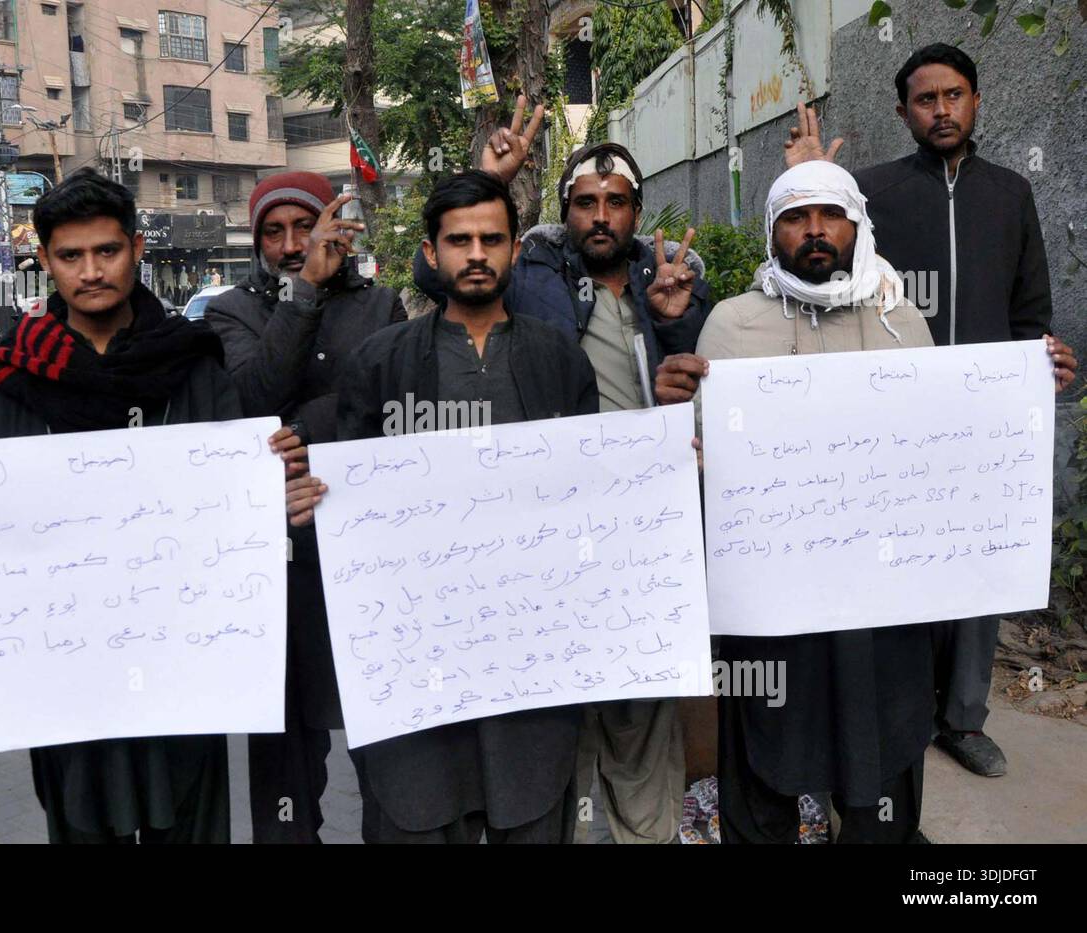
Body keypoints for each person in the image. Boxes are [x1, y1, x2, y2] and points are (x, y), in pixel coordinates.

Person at [0, 168, 302, 844]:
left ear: (137, 249)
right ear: (47, 262)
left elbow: (235, 508)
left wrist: (279, 490)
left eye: (107, 251)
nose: (91, 271)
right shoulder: (11, 375)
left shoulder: (192, 363)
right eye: (70, 256)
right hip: (64, 670)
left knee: (192, 819)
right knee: (84, 819)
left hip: (185, 664)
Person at [414, 98, 712, 843]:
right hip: (546, 531)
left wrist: (674, 317)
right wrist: (488, 177)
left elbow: (698, 381)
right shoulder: (531, 272)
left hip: (645, 529)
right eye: (585, 203)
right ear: (563, 213)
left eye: (616, 203)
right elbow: (445, 270)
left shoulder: (670, 277)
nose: (601, 216)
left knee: (641, 705)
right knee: (557, 704)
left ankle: (647, 831)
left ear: (637, 210)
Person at [784, 44, 1078, 778]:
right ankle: (898, 712)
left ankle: (963, 719)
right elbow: (820, 273)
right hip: (892, 423)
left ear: (976, 101)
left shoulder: (1011, 194)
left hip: (984, 424)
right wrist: (812, 177)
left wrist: (1047, 365)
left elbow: (1030, 313)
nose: (941, 110)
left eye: (954, 96)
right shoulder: (871, 193)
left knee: (977, 565)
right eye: (925, 99)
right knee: (900, 565)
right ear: (902, 112)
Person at [287, 170, 599, 843]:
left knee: (534, 800)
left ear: (516, 249)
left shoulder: (559, 360)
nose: (477, 254)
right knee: (417, 807)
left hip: (530, 654)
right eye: (460, 240)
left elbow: (589, 498)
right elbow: (353, 506)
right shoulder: (382, 362)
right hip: (413, 660)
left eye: (492, 238)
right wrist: (318, 502)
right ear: (432, 253)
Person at [693, 160, 938, 843]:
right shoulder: (730, 325)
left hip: (880, 592)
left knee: (880, 735)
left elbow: (938, 445)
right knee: (766, 737)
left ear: (856, 224)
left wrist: (1034, 380)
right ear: (773, 233)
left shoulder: (902, 320)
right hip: (769, 598)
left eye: (830, 215)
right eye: (795, 218)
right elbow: (708, 450)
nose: (815, 231)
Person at [205, 171, 406, 843]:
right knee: (285, 786)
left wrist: (312, 435)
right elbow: (251, 400)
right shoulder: (230, 311)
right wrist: (305, 294)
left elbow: (397, 414)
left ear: (338, 228)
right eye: (276, 231)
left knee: (393, 769)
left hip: (369, 570)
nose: (294, 244)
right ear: (257, 240)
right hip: (278, 577)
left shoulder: (381, 309)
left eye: (307, 226)